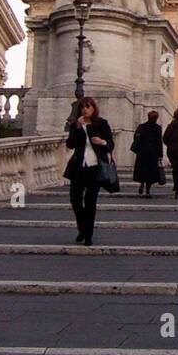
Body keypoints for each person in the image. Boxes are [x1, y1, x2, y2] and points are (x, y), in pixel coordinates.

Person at [63, 97, 114, 246]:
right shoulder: (76, 125)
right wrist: (78, 128)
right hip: (78, 168)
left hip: (95, 168)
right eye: (82, 107)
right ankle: (82, 228)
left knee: (90, 202)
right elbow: (70, 144)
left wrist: (102, 142)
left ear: (93, 108)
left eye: (88, 106)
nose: (85, 109)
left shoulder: (101, 123)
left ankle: (88, 235)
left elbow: (110, 144)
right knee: (75, 200)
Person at [131, 110, 164, 197]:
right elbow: (159, 142)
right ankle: (148, 191)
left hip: (142, 152)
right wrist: (160, 155)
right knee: (150, 173)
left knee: (142, 170)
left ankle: (142, 183)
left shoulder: (142, 126)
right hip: (152, 154)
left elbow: (135, 137)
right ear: (156, 118)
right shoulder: (157, 128)